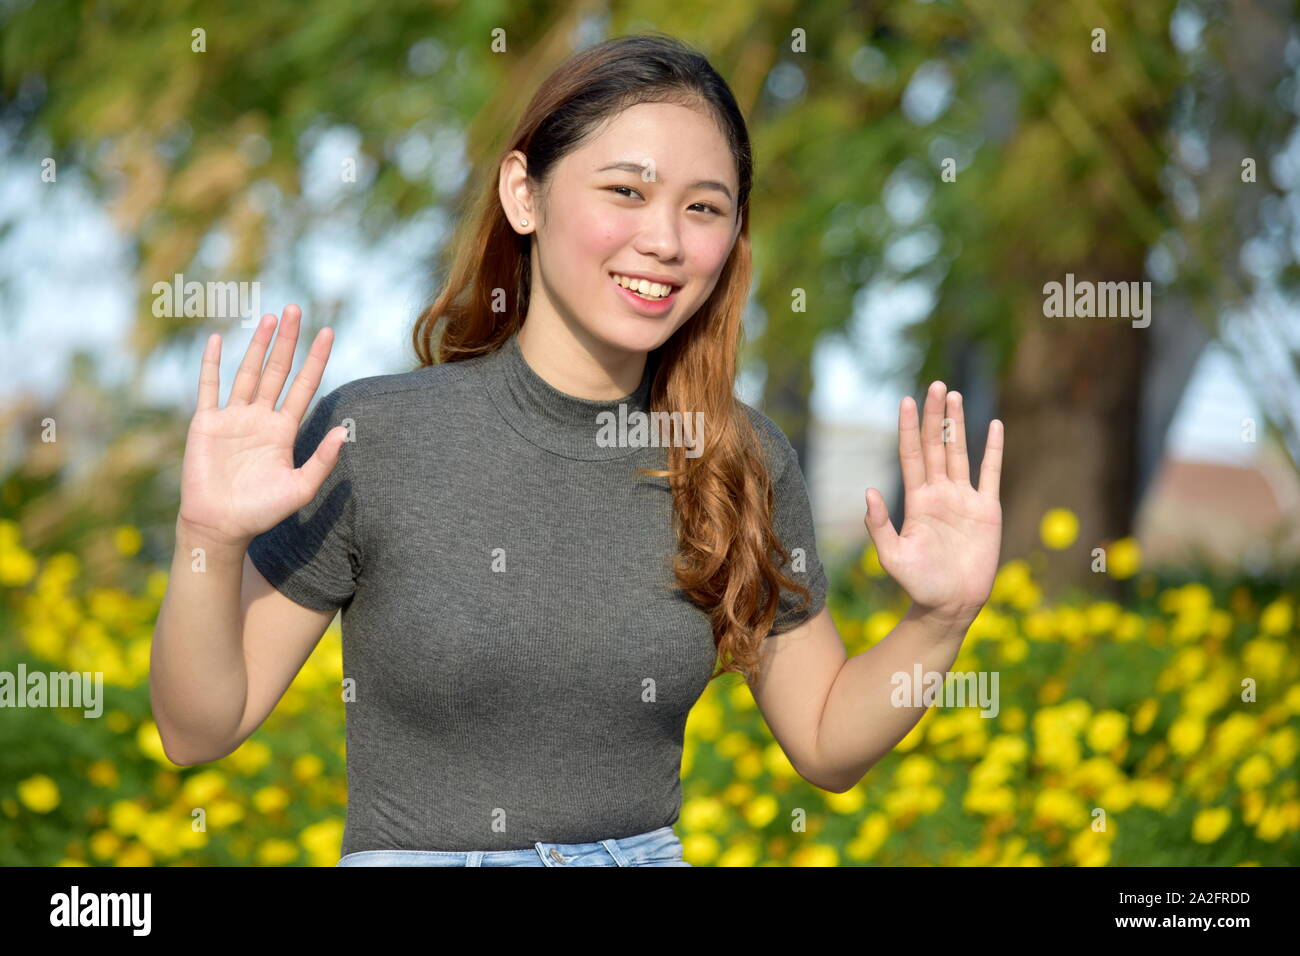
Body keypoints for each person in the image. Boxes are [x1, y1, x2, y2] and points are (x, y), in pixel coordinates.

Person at [149, 33, 1005, 868]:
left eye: (704, 207)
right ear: (524, 194)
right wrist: (207, 541)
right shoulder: (374, 438)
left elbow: (824, 740)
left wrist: (940, 620)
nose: (665, 240)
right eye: (627, 191)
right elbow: (198, 730)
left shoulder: (737, 459)